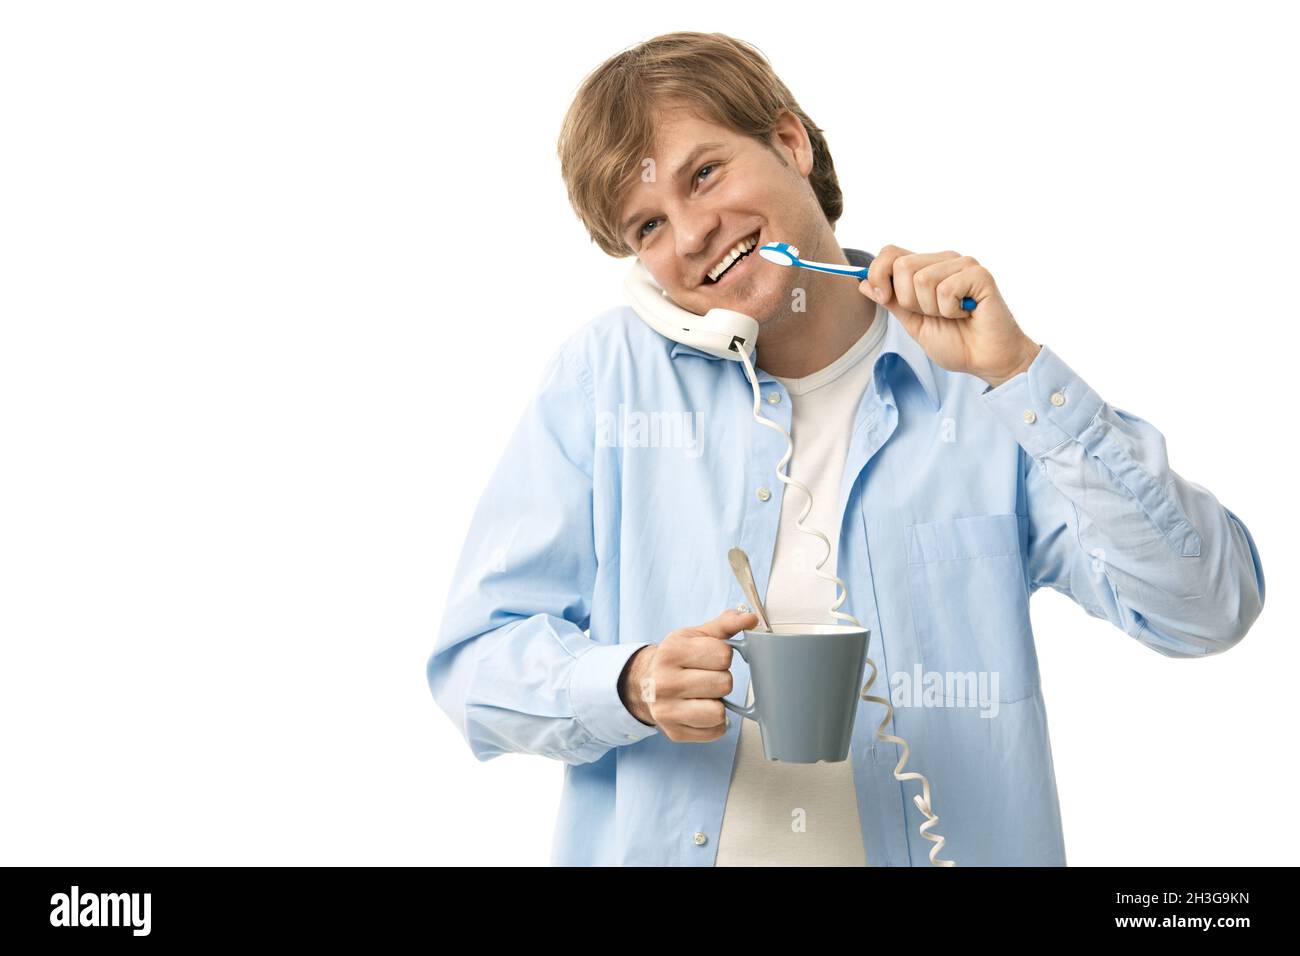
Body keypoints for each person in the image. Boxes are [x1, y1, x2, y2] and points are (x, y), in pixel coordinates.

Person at [426, 32, 1265, 866]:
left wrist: (1018, 373)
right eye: (647, 224)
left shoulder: (975, 390)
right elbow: (474, 665)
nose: (689, 235)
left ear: (790, 142)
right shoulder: (602, 383)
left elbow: (1208, 609)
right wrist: (628, 682)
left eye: (705, 174)